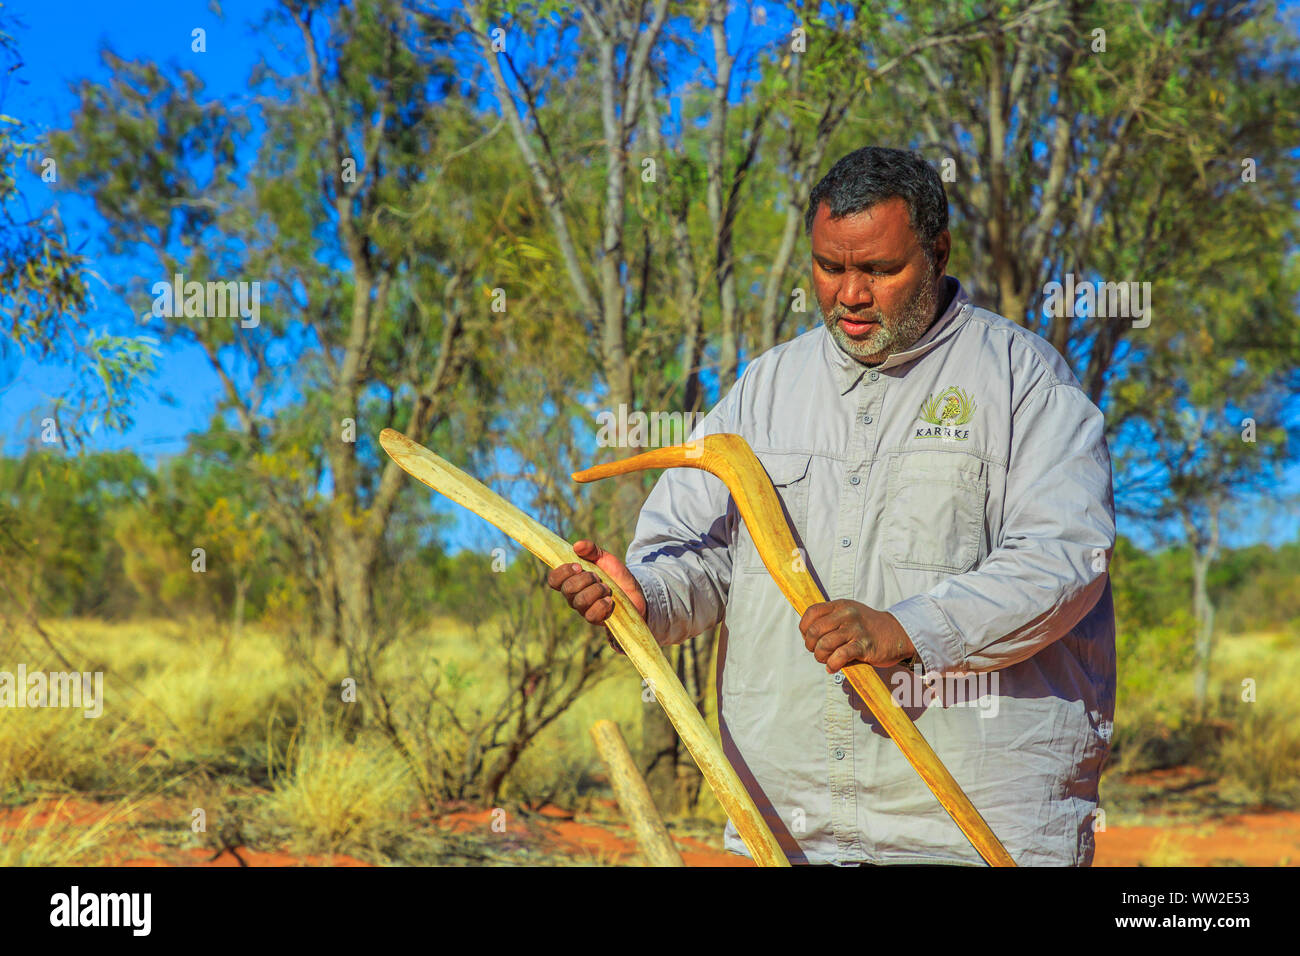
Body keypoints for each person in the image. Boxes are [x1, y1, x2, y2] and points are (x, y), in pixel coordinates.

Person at [547, 146, 1116, 866]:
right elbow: (701, 559)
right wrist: (644, 596)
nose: (849, 294)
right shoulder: (766, 388)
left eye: (878, 270)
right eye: (830, 267)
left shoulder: (1023, 381)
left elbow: (1063, 560)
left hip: (969, 829)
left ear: (937, 251)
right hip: (790, 827)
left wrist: (906, 629)